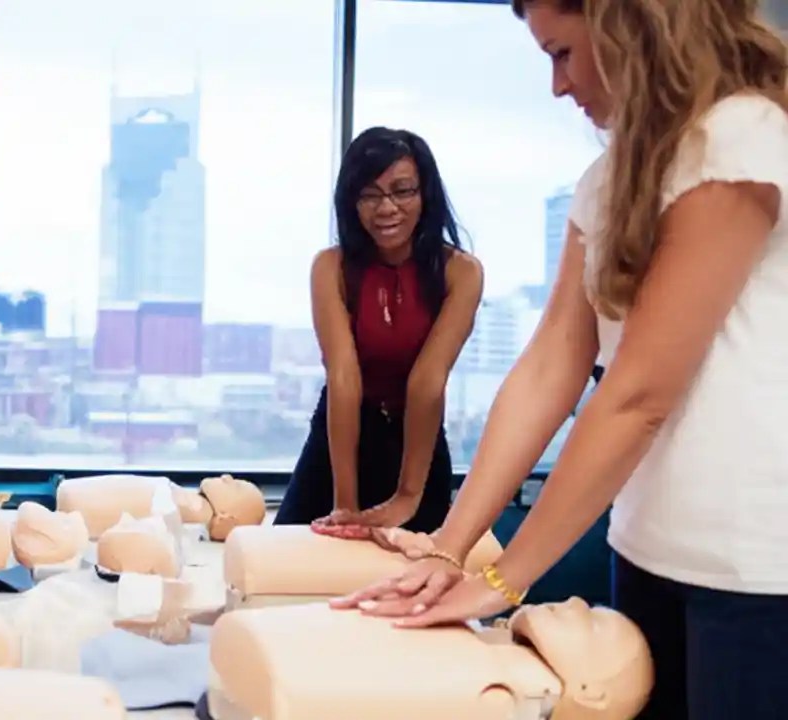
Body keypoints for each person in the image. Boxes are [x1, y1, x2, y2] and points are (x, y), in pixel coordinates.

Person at [333, 1, 788, 717]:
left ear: (632, 26)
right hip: (646, 544)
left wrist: (506, 580)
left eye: (562, 54)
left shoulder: (742, 139)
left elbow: (640, 393)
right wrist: (449, 550)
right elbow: (550, 366)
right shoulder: (608, 180)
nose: (556, 86)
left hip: (754, 568)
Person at [273, 127, 483, 533]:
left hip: (417, 438)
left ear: (425, 195)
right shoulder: (329, 267)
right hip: (342, 431)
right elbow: (343, 378)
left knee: (420, 572)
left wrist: (407, 496)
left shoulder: (461, 272)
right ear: (352, 202)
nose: (386, 208)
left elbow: (428, 381)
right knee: (292, 552)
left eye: (402, 191)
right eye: (369, 195)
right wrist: (345, 503)